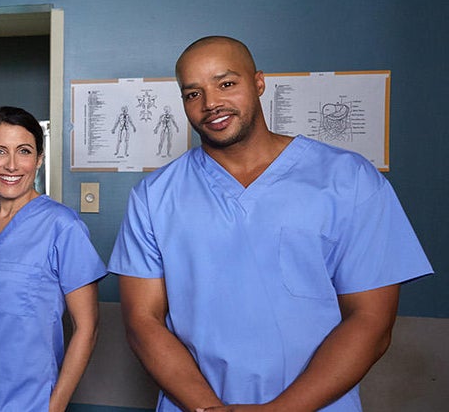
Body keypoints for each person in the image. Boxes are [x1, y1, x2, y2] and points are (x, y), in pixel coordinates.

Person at [109, 36, 433, 412]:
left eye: (226, 84)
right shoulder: (153, 196)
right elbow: (142, 322)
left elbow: (371, 322)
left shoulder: (349, 180)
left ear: (259, 83)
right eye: (192, 94)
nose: (211, 103)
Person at [0, 106, 106, 412]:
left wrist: (56, 406)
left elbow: (87, 328)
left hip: (26, 399)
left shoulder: (62, 227)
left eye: (24, 151)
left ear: (38, 158)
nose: (11, 165)